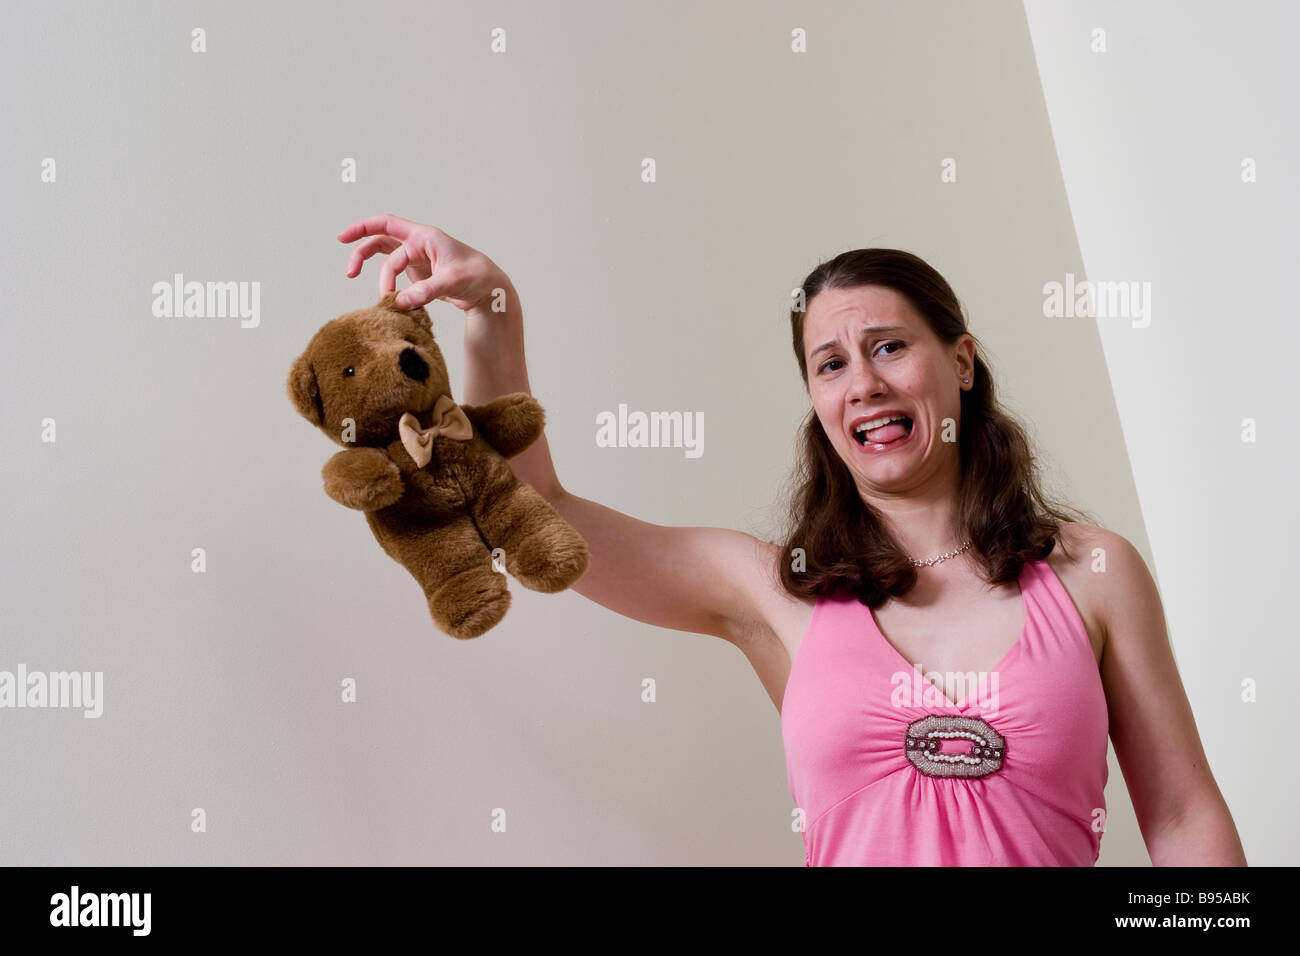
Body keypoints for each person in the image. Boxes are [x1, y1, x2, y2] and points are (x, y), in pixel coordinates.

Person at [337, 213, 1246, 867]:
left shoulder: (1093, 573)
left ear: (961, 362)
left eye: (890, 347)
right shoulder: (774, 592)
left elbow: (1180, 815)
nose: (864, 384)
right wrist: (494, 311)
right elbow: (538, 506)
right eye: (831, 364)